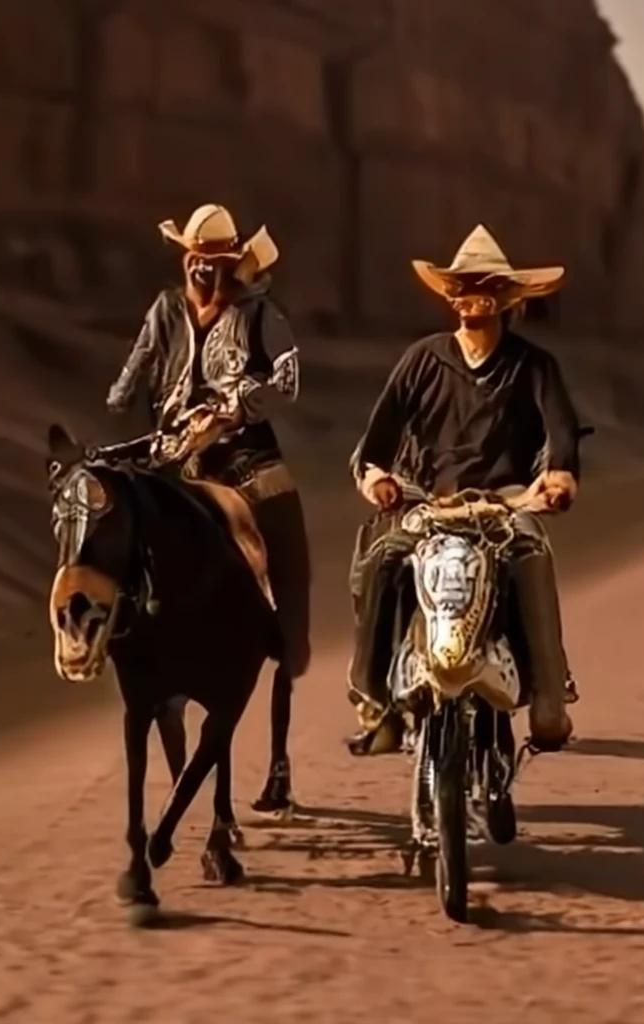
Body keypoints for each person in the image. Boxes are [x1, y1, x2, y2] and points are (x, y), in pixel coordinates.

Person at [346, 224, 583, 754]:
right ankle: (376, 702)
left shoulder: (533, 365)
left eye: (480, 286)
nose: (467, 296)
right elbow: (374, 444)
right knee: (383, 559)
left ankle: (549, 700)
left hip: (506, 503)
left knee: (530, 552)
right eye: (459, 287)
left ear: (504, 298)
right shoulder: (422, 359)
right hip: (430, 505)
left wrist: (559, 477)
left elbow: (561, 433)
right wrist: (378, 478)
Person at [106, 203, 310, 814]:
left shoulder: (261, 315)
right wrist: (124, 397)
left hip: (246, 457)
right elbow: (140, 360)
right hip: (174, 454)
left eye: (215, 260)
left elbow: (288, 380)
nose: (202, 268)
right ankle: (116, 630)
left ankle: (280, 747)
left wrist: (239, 404)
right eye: (195, 257)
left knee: (284, 543)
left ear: (234, 264)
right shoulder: (167, 309)